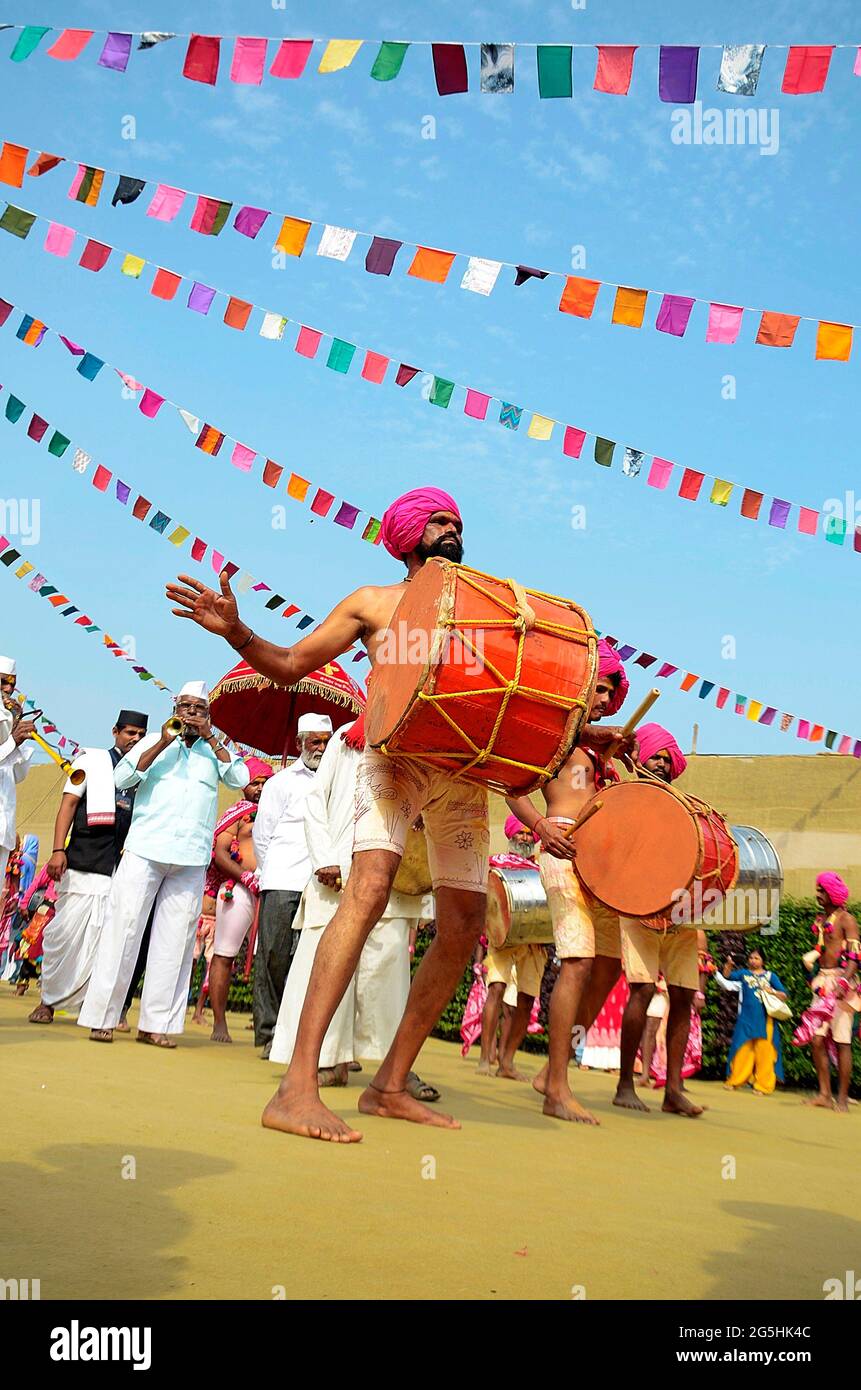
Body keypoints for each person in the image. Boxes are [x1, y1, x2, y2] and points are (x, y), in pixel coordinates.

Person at [167, 487, 631, 1141]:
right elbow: (291, 665)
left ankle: (388, 1084)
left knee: (464, 920)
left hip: (462, 775)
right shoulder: (373, 602)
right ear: (408, 533)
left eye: (456, 521)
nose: (450, 527)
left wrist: (582, 734)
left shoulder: (488, 618)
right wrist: (237, 630)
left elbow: (516, 703)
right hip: (390, 757)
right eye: (438, 519)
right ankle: (295, 1088)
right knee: (369, 888)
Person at [270, 715, 434, 1100]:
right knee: (326, 960)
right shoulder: (347, 736)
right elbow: (316, 800)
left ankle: (396, 1069)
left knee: (389, 969)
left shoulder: (416, 734)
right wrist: (324, 857)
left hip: (392, 870)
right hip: (339, 869)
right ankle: (325, 1061)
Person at [78, 682, 249, 1046]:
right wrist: (161, 744)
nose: (190, 713)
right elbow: (122, 778)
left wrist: (213, 738)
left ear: (207, 715)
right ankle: (103, 1017)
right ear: (175, 709)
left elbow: (241, 779)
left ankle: (157, 1025)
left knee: (176, 940)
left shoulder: (214, 751)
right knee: (123, 931)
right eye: (185, 706)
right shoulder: (151, 742)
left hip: (189, 858)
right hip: (145, 850)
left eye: (198, 709)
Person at [505, 640, 633, 1125]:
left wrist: (626, 759)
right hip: (559, 847)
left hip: (599, 863)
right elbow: (512, 788)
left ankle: (552, 1071)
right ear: (580, 688)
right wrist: (541, 830)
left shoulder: (601, 757)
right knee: (578, 960)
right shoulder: (551, 737)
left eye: (609, 693)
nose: (603, 699)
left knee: (607, 965)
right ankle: (556, 1087)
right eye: (597, 689)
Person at [27, 711, 149, 1024]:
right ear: (115, 732)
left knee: (106, 942)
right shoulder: (90, 762)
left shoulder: (145, 770)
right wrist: (57, 850)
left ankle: (95, 1009)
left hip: (120, 866)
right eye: (130, 733)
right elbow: (68, 803)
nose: (134, 739)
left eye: (140, 735)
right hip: (82, 858)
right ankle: (48, 1002)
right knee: (65, 934)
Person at [612, 722, 704, 1118]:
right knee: (643, 991)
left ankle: (674, 1090)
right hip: (637, 910)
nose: (664, 763)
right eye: (656, 756)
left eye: (668, 758)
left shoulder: (685, 806)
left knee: (683, 995)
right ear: (637, 759)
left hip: (682, 913)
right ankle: (625, 1084)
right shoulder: (623, 798)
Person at [251, 716, 332, 1058]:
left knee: (313, 961)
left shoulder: (340, 781)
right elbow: (262, 835)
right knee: (273, 955)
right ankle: (269, 1032)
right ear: (300, 743)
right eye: (315, 742)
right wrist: (273, 873)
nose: (322, 748)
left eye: (327, 741)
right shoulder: (280, 782)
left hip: (323, 883)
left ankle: (305, 1039)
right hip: (283, 877)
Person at [206, 756, 274, 1043]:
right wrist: (246, 877)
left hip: (273, 889)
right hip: (239, 889)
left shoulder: (280, 810)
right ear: (243, 786)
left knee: (272, 957)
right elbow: (220, 852)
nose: (259, 788)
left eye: (265, 782)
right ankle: (219, 1022)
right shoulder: (238, 813)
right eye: (254, 783)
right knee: (224, 953)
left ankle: (269, 1025)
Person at [478, 815, 546, 1081]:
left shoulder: (542, 869)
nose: (525, 838)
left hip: (534, 941)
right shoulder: (495, 865)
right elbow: (488, 902)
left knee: (526, 1000)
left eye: (530, 834)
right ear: (511, 835)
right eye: (521, 833)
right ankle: (485, 1057)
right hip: (502, 938)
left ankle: (506, 1062)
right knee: (496, 989)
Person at [794, 873, 859, 1113]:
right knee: (817, 1038)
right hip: (822, 983)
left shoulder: (847, 919)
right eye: (818, 891)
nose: (818, 895)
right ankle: (824, 1094)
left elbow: (854, 956)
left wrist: (845, 981)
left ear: (833, 893)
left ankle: (842, 1098)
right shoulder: (821, 920)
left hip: (842, 984)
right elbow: (822, 950)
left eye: (822, 891)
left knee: (842, 1041)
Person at [719, 946, 787, 1095]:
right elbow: (727, 976)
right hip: (746, 1018)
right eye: (751, 958)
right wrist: (729, 965)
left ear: (763, 961)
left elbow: (784, 995)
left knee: (765, 1052)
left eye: (756, 958)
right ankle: (735, 1080)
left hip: (765, 1020)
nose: (753, 961)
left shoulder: (770, 976)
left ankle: (763, 1086)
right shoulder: (743, 973)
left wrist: (773, 991)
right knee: (742, 1049)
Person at [0, 656, 35, 885]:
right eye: (3, 682)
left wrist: (18, 744)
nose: (9, 689)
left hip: (4, 826)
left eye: (12, 683)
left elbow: (18, 776)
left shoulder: (8, 716)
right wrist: (12, 741)